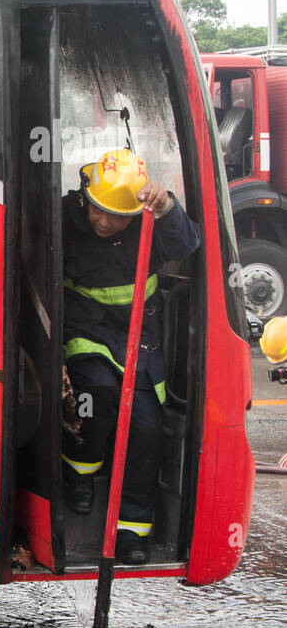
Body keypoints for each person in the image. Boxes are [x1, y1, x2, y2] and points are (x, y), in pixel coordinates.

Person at [61, 148, 201, 565]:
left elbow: (188, 242)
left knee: (146, 425)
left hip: (141, 337)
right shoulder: (69, 215)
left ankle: (131, 530)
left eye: (117, 216)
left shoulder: (152, 221)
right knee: (97, 394)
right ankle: (80, 471)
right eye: (99, 210)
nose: (104, 221)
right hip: (86, 329)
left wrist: (168, 207)